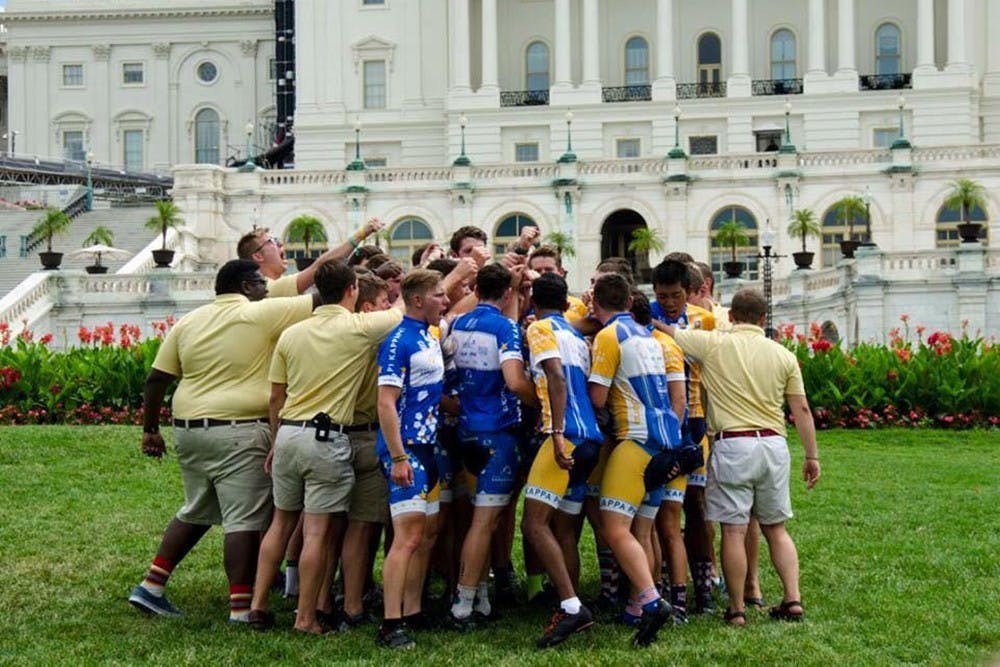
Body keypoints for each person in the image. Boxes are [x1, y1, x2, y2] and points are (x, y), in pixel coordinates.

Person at [129, 259, 315, 622]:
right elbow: (326, 299)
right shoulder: (259, 314)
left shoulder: (190, 320)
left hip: (188, 429)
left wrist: (150, 429)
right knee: (243, 519)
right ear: (246, 287)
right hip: (239, 430)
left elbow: (156, 379)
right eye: (261, 283)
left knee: (196, 509)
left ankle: (151, 586)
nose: (266, 289)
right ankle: (241, 608)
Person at [250, 260, 404, 634]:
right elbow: (402, 310)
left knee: (282, 524)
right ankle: (306, 617)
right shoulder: (359, 327)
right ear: (352, 290)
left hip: (287, 433)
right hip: (327, 436)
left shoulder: (292, 333)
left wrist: (275, 441)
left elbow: (275, 397)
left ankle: (256, 606)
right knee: (318, 532)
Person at [663, 288, 821, 627]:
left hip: (733, 444)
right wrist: (812, 456)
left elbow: (670, 332)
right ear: (764, 320)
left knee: (733, 532)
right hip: (774, 444)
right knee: (776, 528)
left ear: (731, 316)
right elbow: (802, 409)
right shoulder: (783, 355)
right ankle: (792, 598)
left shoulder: (715, 343)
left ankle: (736, 609)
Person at [588, 273, 682, 647]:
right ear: (629, 301)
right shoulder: (649, 336)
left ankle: (650, 601)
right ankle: (637, 605)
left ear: (596, 304)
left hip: (634, 440)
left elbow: (597, 396)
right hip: (664, 441)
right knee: (642, 530)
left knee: (614, 529)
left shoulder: (609, 336)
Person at [446, 262, 538, 627]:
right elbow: (515, 383)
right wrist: (544, 402)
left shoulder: (457, 322)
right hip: (497, 432)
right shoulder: (505, 329)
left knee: (477, 519)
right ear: (506, 294)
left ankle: (481, 598)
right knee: (484, 523)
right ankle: (463, 603)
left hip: (465, 427)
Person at [521, 272, 602, 648]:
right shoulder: (574, 333)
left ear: (533, 301)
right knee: (565, 529)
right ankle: (570, 601)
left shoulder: (540, 328)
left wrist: (554, 432)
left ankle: (571, 609)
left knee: (534, 523)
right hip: (590, 439)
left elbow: (554, 375)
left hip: (565, 437)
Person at [374, 269, 450, 649]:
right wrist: (398, 456)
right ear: (417, 300)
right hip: (405, 451)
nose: (446, 300)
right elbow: (385, 403)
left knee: (428, 533)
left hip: (429, 447)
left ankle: (414, 610)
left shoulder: (431, 335)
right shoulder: (398, 340)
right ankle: (390, 623)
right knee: (408, 536)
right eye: (439, 295)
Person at [236, 218, 384, 297]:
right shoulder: (267, 289)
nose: (281, 243)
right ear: (258, 255)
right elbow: (319, 266)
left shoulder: (276, 286)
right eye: (273, 241)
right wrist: (361, 234)